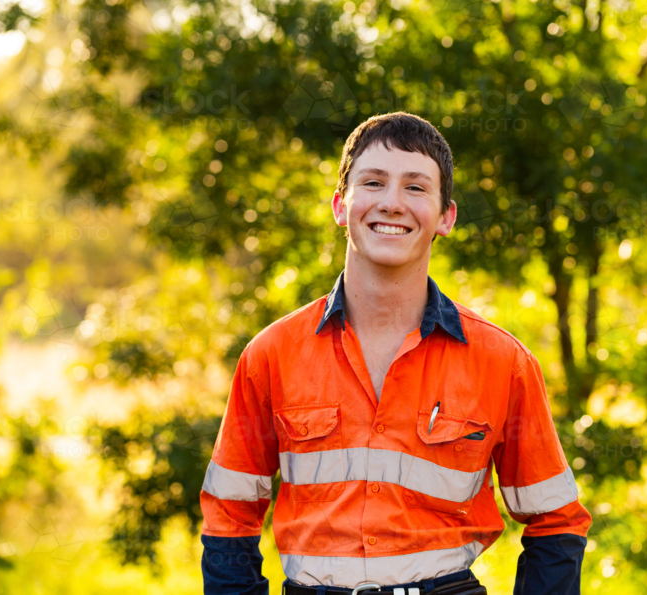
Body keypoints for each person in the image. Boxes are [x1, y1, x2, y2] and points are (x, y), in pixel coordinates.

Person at [200, 112, 592, 595]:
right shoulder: (271, 354)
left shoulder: (502, 361)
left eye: (415, 187)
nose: (391, 203)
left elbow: (556, 521)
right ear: (341, 206)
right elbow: (229, 514)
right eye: (374, 182)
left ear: (445, 216)